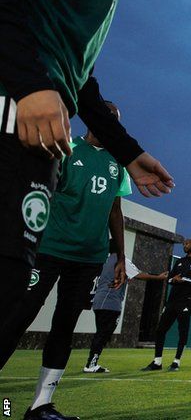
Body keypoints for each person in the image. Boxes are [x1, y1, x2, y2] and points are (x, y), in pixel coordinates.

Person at [0, 0, 175, 333]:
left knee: (10, 291)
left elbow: (78, 75)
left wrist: (129, 153)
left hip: (37, 133)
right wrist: (31, 85)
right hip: (11, 110)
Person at [0, 102, 137, 420]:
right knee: (18, 316)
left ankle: (41, 406)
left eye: (115, 121)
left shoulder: (117, 162)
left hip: (88, 257)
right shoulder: (66, 148)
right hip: (49, 250)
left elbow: (115, 210)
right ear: (90, 119)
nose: (110, 125)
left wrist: (119, 256)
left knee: (65, 325)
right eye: (106, 119)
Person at [84, 249, 166, 373]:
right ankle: (91, 364)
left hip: (98, 301)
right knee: (103, 334)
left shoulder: (103, 260)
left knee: (101, 333)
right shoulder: (120, 261)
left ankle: (92, 362)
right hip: (110, 303)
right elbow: (138, 274)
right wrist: (158, 277)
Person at [139, 238, 191, 372]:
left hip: (185, 301)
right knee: (160, 330)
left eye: (187, 244)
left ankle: (176, 361)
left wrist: (184, 280)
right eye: (183, 244)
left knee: (182, 331)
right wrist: (174, 279)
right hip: (172, 301)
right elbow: (170, 279)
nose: (185, 246)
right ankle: (157, 362)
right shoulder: (179, 262)